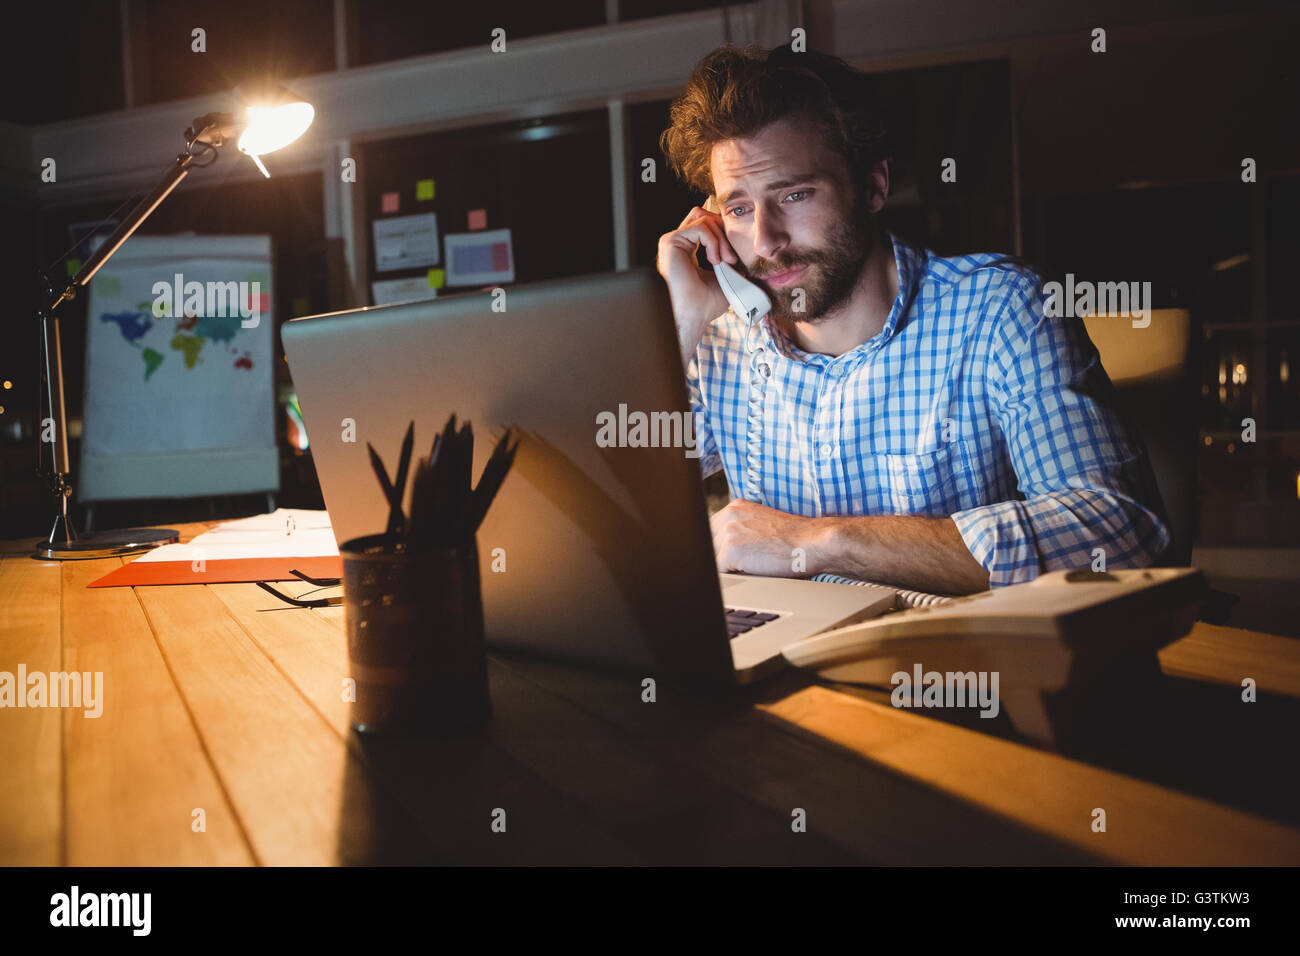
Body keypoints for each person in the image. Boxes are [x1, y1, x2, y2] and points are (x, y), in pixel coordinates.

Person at [655, 43, 1170, 594]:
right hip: (780, 665)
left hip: (955, 665)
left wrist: (818, 542)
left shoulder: (1000, 309)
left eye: (796, 194)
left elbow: (1119, 531)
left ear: (874, 186)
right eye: (738, 209)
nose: (766, 241)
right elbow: (597, 509)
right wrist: (679, 322)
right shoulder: (720, 341)